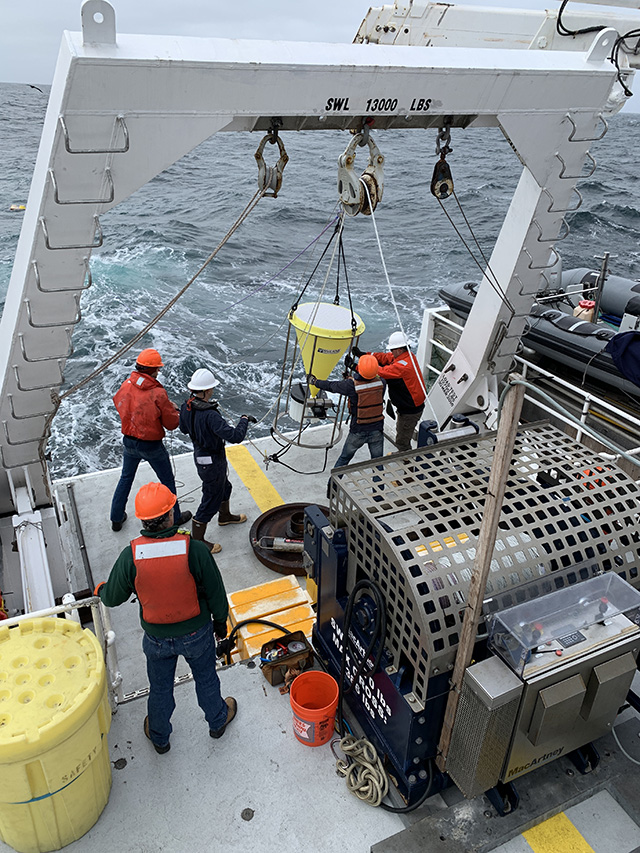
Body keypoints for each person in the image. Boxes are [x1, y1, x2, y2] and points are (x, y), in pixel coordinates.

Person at [96, 482, 236, 754]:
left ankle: (159, 736)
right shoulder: (195, 550)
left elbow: (112, 597)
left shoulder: (131, 556)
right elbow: (217, 594)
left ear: (142, 520)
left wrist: (101, 590)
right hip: (197, 634)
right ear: (171, 515)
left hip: (157, 638)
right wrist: (220, 624)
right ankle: (217, 721)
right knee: (206, 678)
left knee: (159, 688)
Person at [110, 348, 191, 532]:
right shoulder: (157, 393)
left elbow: (119, 403)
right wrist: (176, 412)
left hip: (129, 441)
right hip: (151, 445)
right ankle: (176, 517)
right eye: (157, 369)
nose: (158, 372)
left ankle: (116, 518)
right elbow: (171, 424)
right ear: (153, 370)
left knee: (126, 478)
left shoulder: (127, 384)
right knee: (167, 481)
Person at [179, 368, 255, 554]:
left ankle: (225, 516)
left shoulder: (186, 406)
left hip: (201, 455)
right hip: (213, 460)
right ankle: (197, 540)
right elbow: (235, 436)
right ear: (206, 391)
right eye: (211, 388)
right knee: (211, 498)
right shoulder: (211, 415)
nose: (212, 390)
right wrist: (244, 420)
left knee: (224, 487)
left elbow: (183, 429)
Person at [309, 353, 386, 470]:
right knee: (378, 465)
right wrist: (351, 379)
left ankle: (332, 486)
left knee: (344, 460)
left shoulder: (350, 385)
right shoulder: (382, 383)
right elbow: (368, 385)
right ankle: (379, 488)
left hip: (358, 430)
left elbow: (332, 386)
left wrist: (315, 382)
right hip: (377, 430)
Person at [354, 331, 426, 452]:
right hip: (409, 407)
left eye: (392, 349)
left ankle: (408, 462)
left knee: (402, 441)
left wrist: (355, 367)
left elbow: (379, 372)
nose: (391, 352)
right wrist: (364, 355)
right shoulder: (407, 356)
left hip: (410, 411)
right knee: (401, 430)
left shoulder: (403, 367)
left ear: (398, 349)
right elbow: (384, 357)